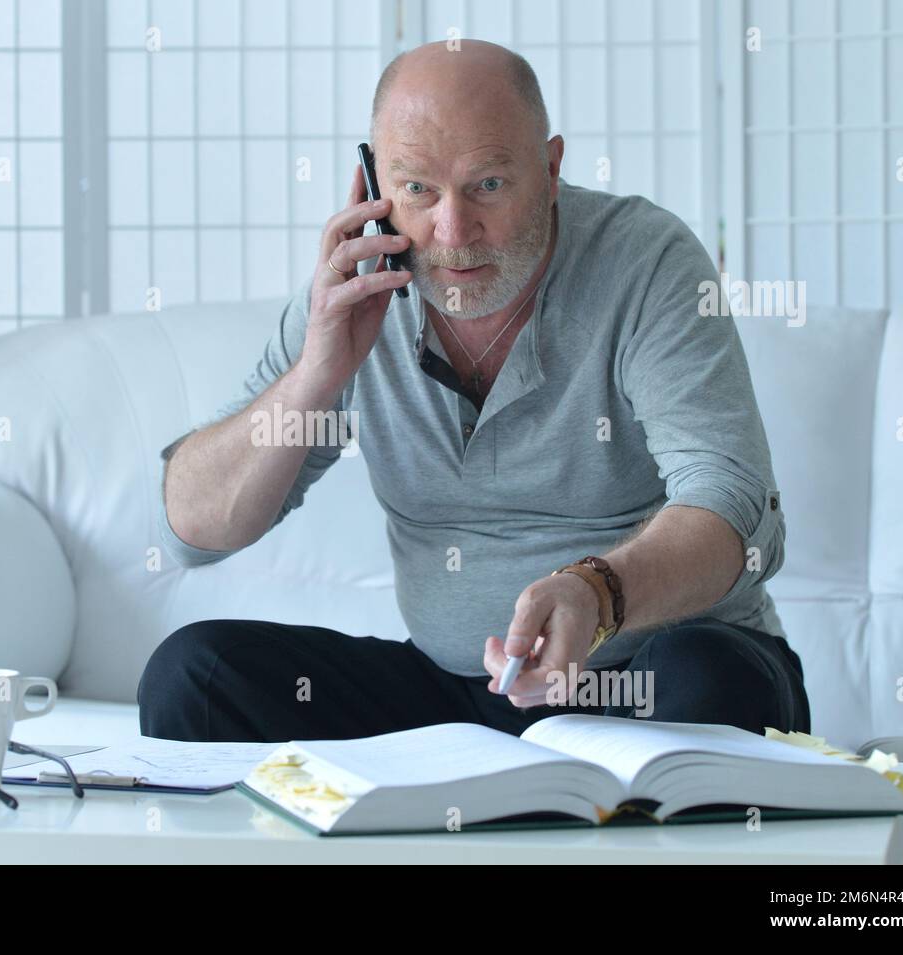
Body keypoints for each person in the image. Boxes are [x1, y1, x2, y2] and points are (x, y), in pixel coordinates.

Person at [138, 39, 810, 743]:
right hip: (459, 697)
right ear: (373, 187)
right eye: (418, 189)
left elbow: (738, 506)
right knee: (194, 677)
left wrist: (598, 592)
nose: (452, 232)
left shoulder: (646, 263)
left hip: (641, 679)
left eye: (488, 184)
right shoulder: (352, 295)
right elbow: (188, 533)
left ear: (550, 170)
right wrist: (317, 373)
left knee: (712, 681)